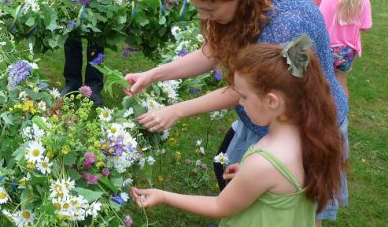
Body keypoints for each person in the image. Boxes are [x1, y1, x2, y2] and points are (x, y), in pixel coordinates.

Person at [124, 0, 350, 224]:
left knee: (302, 206)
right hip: (274, 118)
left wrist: (176, 111)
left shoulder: (285, 25)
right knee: (254, 190)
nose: (205, 17)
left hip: (308, 123)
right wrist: (154, 74)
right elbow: (214, 52)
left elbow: (243, 91)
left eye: (209, 9)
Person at [133, 38, 344, 227]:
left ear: (272, 101)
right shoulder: (310, 136)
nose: (240, 104)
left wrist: (163, 196)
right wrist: (249, 176)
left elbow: (220, 206)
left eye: (243, 97)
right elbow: (284, 182)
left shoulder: (265, 161)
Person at [319, 0, 372, 99]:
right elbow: (366, 27)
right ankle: (341, 116)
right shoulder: (364, 1)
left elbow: (320, 21)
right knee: (341, 81)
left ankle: (323, 111)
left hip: (327, 48)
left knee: (323, 81)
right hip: (348, 51)